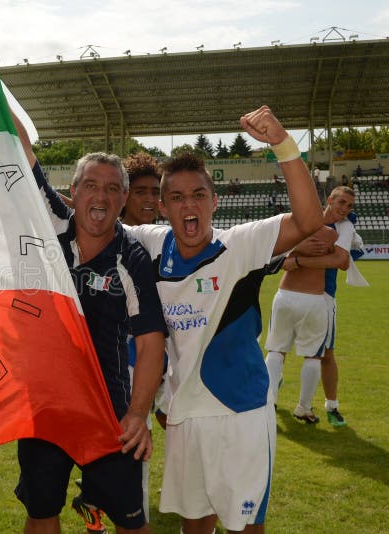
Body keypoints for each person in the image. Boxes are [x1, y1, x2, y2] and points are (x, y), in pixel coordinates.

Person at [124, 106, 323, 533]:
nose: (188, 205)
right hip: (184, 416)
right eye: (176, 197)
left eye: (198, 194)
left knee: (245, 528)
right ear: (162, 207)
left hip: (242, 414)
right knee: (194, 527)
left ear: (214, 201)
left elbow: (309, 220)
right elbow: (79, 216)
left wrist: (283, 144)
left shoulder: (240, 246)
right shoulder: (150, 244)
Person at [21, 147, 167, 533]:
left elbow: (152, 342)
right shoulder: (53, 224)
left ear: (123, 198)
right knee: (41, 514)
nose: (100, 196)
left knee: (130, 522)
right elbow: (24, 155)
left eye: (112, 188)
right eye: (90, 186)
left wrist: (137, 413)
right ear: (74, 191)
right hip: (47, 405)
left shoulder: (131, 257)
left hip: (108, 411)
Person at [264, 186, 356, 426]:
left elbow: (341, 261)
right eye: (341, 203)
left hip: (290, 295)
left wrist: (296, 257)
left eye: (349, 206)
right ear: (329, 200)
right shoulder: (329, 232)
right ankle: (303, 408)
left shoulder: (303, 224)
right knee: (312, 355)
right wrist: (294, 254)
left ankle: (272, 402)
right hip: (314, 298)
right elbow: (339, 260)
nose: (344, 210)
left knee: (277, 351)